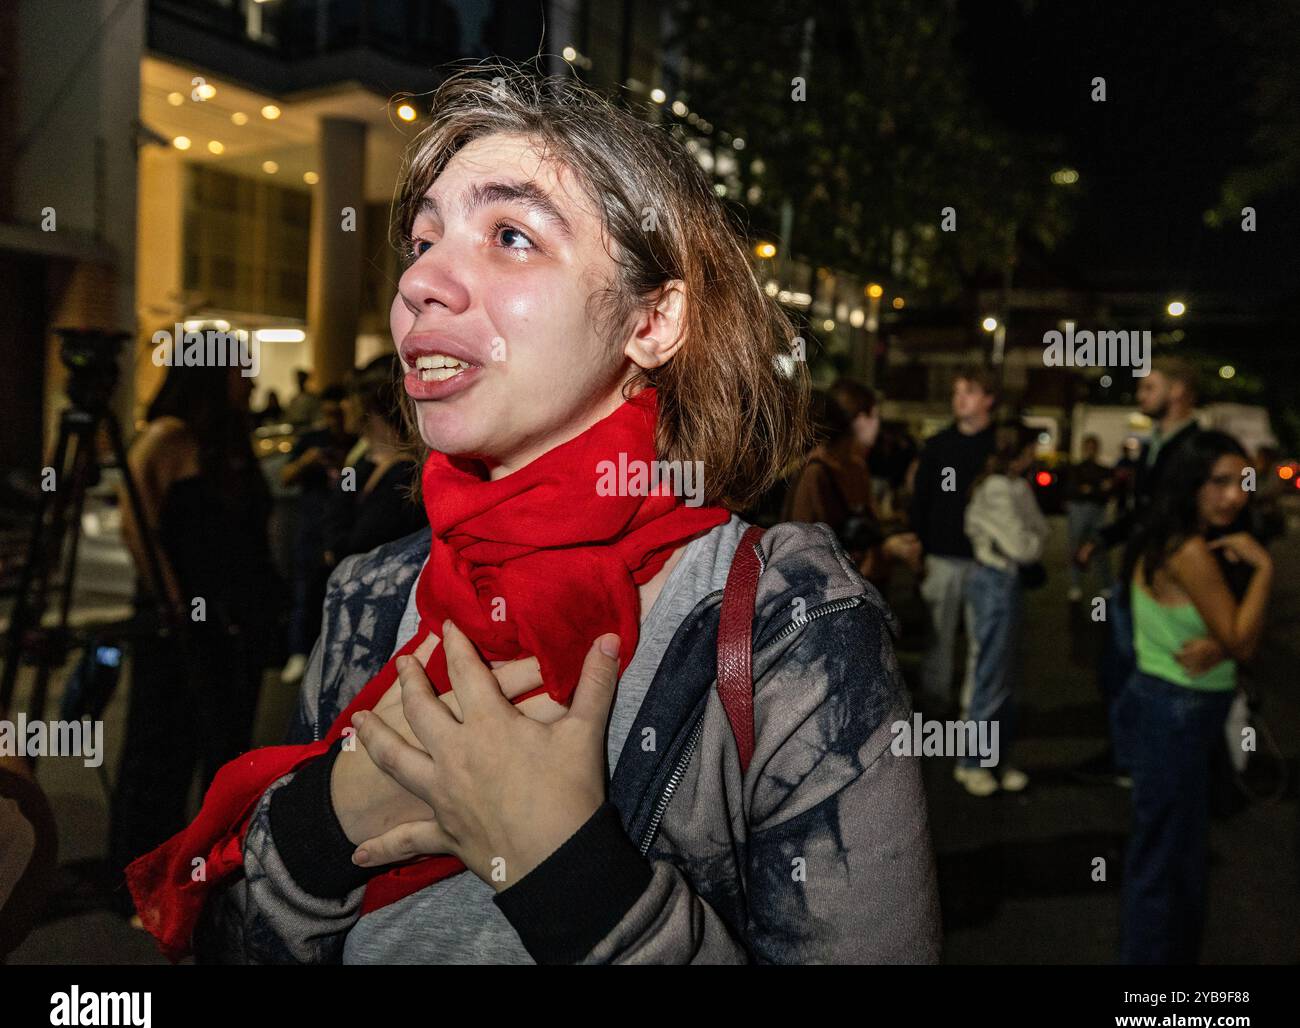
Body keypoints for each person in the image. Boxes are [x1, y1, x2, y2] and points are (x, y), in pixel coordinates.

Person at [126, 65, 941, 965]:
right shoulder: (369, 593)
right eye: (422, 239)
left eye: (510, 235)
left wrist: (572, 874)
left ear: (654, 319)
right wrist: (326, 824)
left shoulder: (792, 627)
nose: (422, 281)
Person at [109, 356, 281, 915]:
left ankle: (201, 873)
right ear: (210, 375)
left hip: (238, 622)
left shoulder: (226, 436)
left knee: (223, 749)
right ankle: (139, 878)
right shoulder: (168, 436)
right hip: (184, 626)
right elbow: (134, 521)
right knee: (161, 747)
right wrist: (176, 602)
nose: (250, 382)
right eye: (240, 372)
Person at [1116, 430, 1271, 964]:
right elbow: (1244, 642)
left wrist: (1221, 645)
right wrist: (1265, 572)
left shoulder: (1170, 536)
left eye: (1242, 482)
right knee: (1164, 861)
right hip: (1178, 712)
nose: (1236, 495)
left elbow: (1204, 635)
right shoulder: (1189, 550)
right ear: (1190, 482)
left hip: (1165, 706)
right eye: (1219, 482)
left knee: (1173, 854)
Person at [1076, 359, 1202, 776]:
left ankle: (1143, 760)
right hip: (1138, 575)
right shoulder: (1155, 444)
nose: (1140, 395)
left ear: (1178, 391)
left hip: (1166, 584)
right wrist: (1103, 539)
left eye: (1150, 388)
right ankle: (1126, 755)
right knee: (1120, 668)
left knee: (1147, 675)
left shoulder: (1199, 450)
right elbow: (1145, 513)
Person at [956, 424, 1048, 795]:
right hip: (993, 581)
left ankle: (995, 758)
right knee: (991, 673)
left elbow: (1039, 534)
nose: (1036, 455)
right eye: (1032, 448)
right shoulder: (996, 489)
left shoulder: (1017, 487)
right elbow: (1026, 545)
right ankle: (973, 761)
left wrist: (1032, 538)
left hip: (1005, 582)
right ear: (1020, 451)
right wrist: (1033, 538)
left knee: (1005, 676)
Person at [908, 367, 998, 712]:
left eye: (969, 391)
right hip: (942, 555)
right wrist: (919, 547)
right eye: (956, 391)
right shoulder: (937, 446)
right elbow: (922, 501)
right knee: (937, 636)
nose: (959, 398)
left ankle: (974, 710)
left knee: (982, 642)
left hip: (984, 559)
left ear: (988, 399)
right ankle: (935, 702)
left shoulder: (997, 448)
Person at [783, 379, 922, 583]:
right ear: (858, 419)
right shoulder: (817, 472)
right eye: (874, 416)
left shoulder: (857, 467)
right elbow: (809, 549)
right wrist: (885, 551)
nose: (878, 424)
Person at [279, 385, 356, 683]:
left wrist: (344, 469)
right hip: (311, 526)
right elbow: (286, 477)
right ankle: (298, 653)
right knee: (304, 592)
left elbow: (352, 488)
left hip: (339, 528)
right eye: (328, 415)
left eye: (338, 413)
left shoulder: (353, 442)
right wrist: (306, 462)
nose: (334, 420)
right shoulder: (312, 440)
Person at [322, 357, 425, 568]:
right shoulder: (364, 461)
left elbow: (350, 547)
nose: (344, 405)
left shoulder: (401, 474)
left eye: (349, 396)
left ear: (369, 405)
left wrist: (332, 550)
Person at [1064, 434, 1115, 602]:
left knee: (1099, 546)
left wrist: (1090, 489)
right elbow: (1075, 489)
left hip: (1097, 510)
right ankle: (1075, 585)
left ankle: (1105, 585)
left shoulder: (1102, 469)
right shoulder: (1077, 469)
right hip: (1080, 510)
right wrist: (1096, 488)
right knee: (1076, 546)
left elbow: (1106, 490)